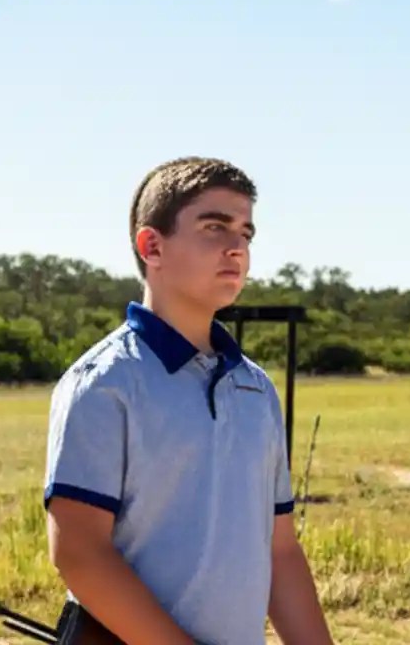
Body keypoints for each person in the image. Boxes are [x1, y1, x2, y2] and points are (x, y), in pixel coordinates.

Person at [43, 157, 334, 645]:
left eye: (246, 233)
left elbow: (279, 551)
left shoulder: (255, 389)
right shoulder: (105, 383)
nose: (237, 248)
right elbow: (78, 553)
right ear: (152, 246)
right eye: (214, 227)